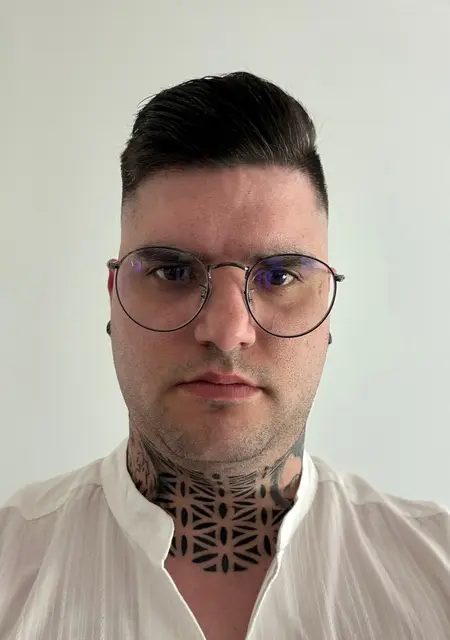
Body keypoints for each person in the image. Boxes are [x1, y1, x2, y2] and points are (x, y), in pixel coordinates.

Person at [0, 71, 448, 640]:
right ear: (113, 299)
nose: (227, 331)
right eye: (172, 272)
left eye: (279, 276)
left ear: (328, 311)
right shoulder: (12, 569)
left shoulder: (436, 573)